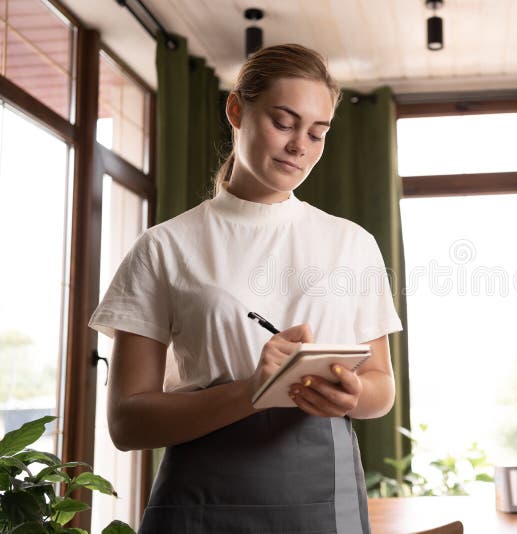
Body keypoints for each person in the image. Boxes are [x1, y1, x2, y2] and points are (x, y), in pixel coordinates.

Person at [88, 43, 402, 533]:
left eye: (318, 133)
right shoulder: (163, 248)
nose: (301, 145)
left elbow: (382, 388)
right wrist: (252, 392)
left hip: (326, 503)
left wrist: (353, 393)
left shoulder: (352, 244)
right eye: (284, 122)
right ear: (236, 109)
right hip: (200, 506)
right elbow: (126, 423)